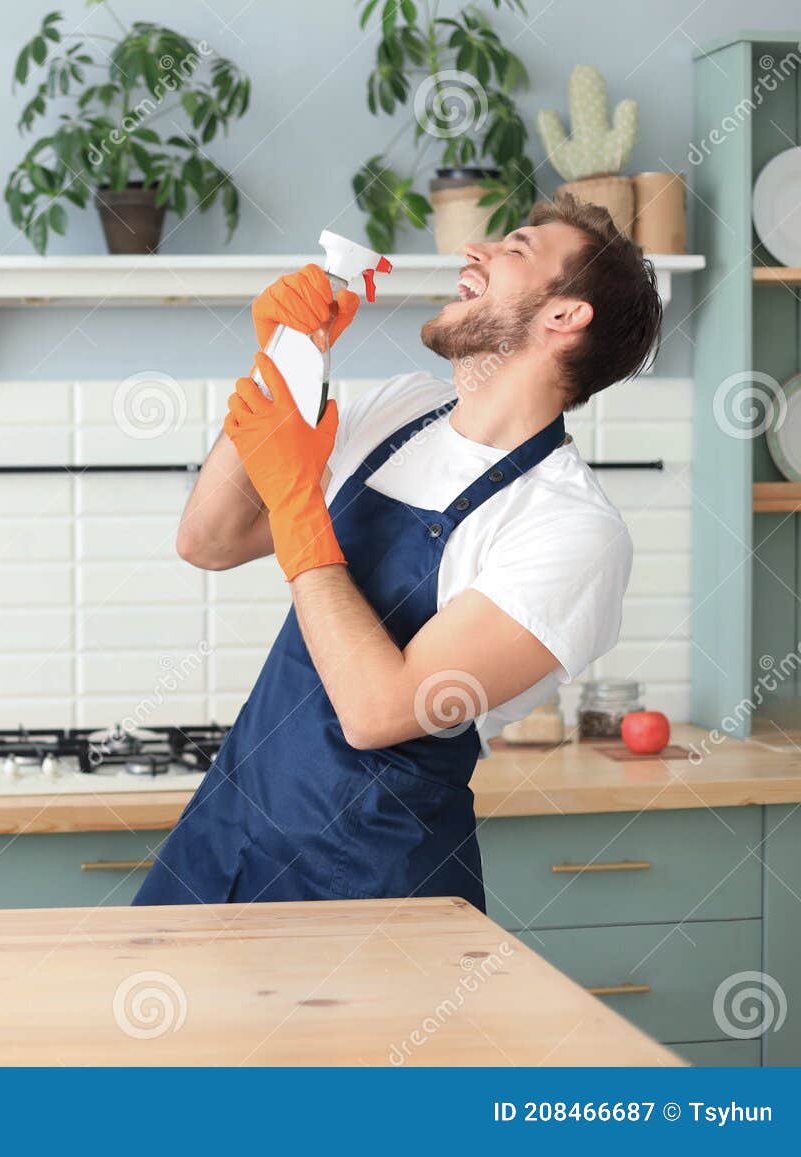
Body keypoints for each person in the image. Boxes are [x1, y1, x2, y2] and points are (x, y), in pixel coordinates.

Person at [136, 194, 663, 911]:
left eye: (513, 247)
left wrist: (296, 504)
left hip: (372, 888)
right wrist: (285, 364)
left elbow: (377, 710)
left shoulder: (569, 528)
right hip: (227, 835)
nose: (471, 253)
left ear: (563, 316)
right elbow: (210, 538)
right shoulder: (402, 409)